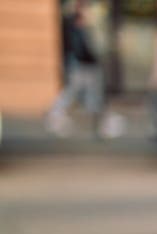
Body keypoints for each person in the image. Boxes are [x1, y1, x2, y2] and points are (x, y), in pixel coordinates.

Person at [46, 2, 105, 137]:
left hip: (85, 64)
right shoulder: (75, 24)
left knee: (90, 93)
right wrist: (91, 59)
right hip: (81, 65)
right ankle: (55, 113)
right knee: (74, 91)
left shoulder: (81, 25)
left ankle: (97, 123)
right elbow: (79, 48)